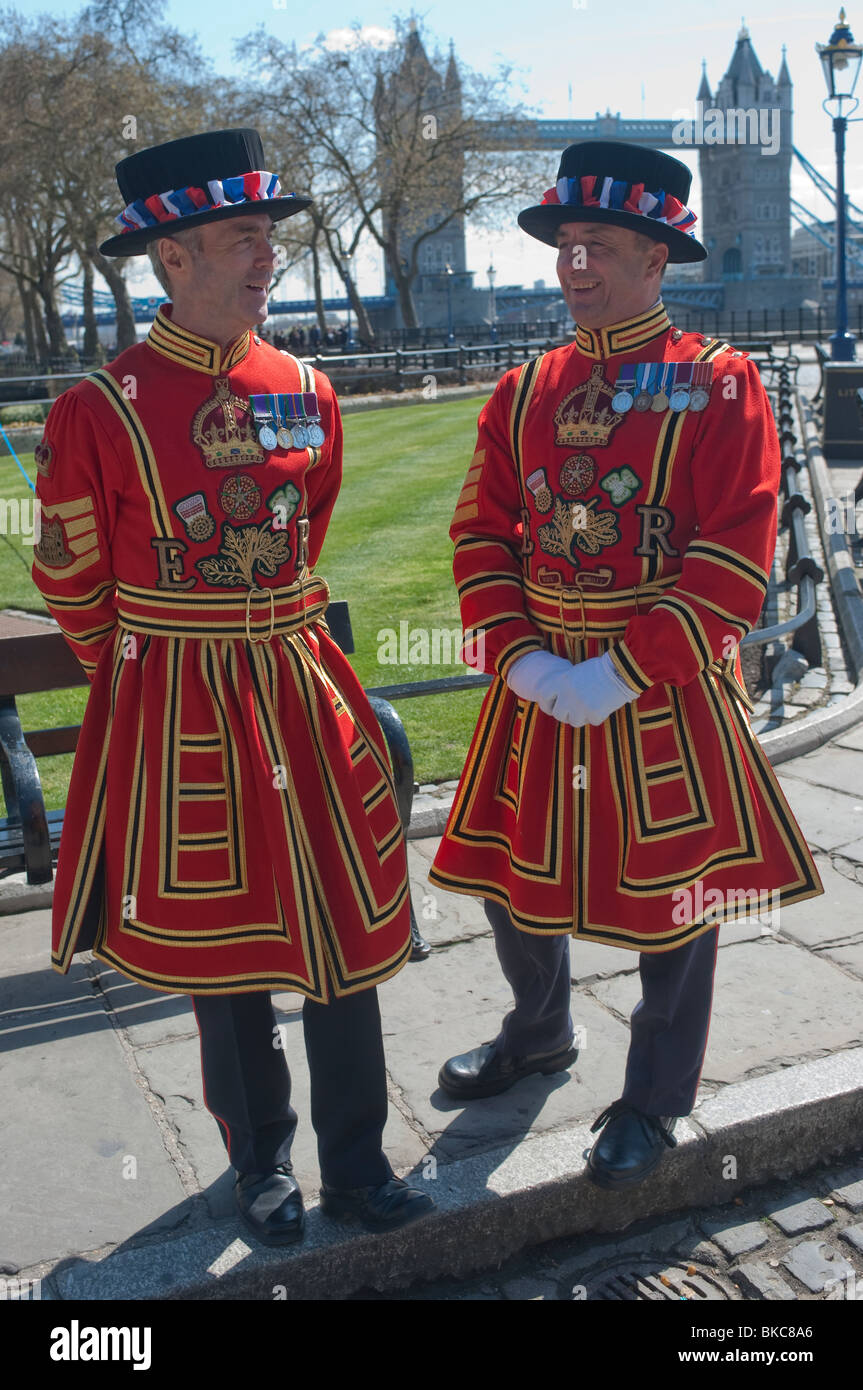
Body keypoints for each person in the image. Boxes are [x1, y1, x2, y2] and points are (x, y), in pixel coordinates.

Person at [31, 128, 434, 1243]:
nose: (268, 258)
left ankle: (356, 1162)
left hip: (305, 688)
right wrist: (162, 662)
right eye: (243, 237)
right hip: (184, 706)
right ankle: (260, 1167)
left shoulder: (307, 385)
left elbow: (309, 529)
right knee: (231, 960)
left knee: (344, 936)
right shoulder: (96, 409)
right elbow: (69, 577)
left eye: (269, 236)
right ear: (172, 258)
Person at [428, 141, 824, 1190]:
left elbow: (733, 556)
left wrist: (618, 670)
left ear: (657, 258)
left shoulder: (716, 383)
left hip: (659, 688)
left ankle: (653, 1097)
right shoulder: (521, 389)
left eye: (597, 246)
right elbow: (479, 533)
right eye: (564, 246)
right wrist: (513, 655)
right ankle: (539, 1031)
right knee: (510, 878)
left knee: (674, 899)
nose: (573, 267)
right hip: (533, 679)